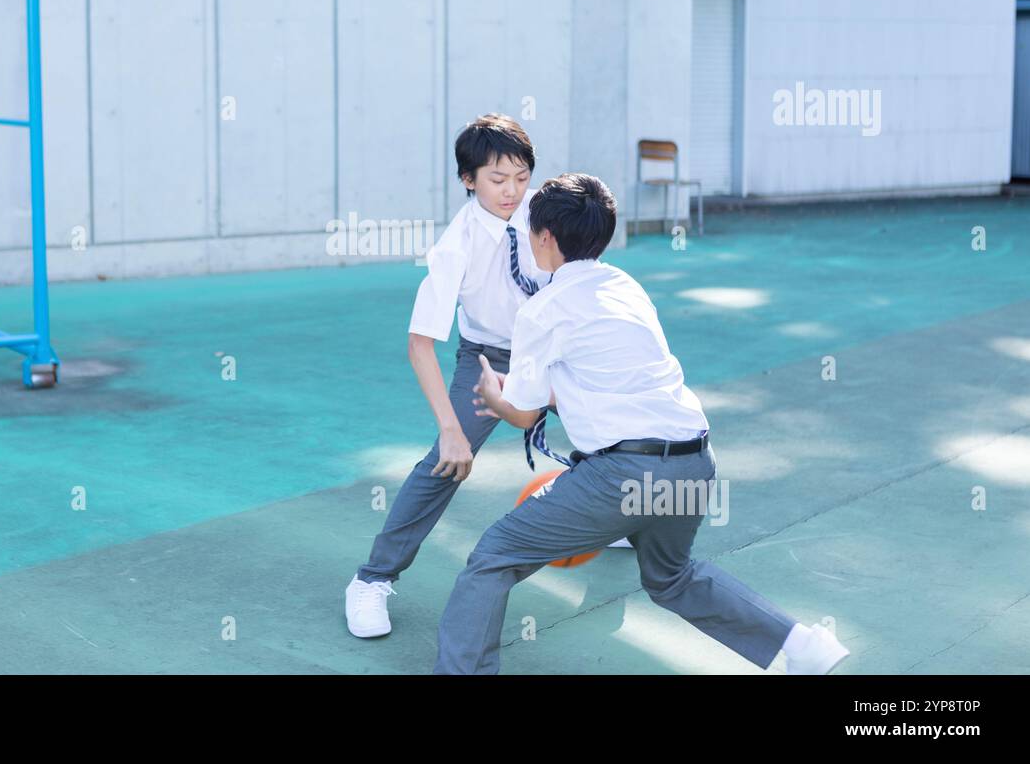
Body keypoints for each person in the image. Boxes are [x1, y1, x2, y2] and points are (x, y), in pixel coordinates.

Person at [433, 173, 851, 674]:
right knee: (672, 578)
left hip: (623, 476)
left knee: (495, 555)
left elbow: (523, 413)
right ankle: (803, 645)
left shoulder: (541, 311)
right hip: (695, 462)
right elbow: (610, 383)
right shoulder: (624, 286)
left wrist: (491, 395)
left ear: (544, 237)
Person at [345, 116, 626, 639]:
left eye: (521, 177)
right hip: (489, 358)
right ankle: (372, 579)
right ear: (469, 179)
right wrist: (451, 428)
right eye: (498, 179)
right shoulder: (456, 245)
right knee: (443, 465)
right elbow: (420, 343)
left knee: (617, 423)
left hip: (556, 344)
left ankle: (623, 514)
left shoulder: (542, 209)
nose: (512, 191)